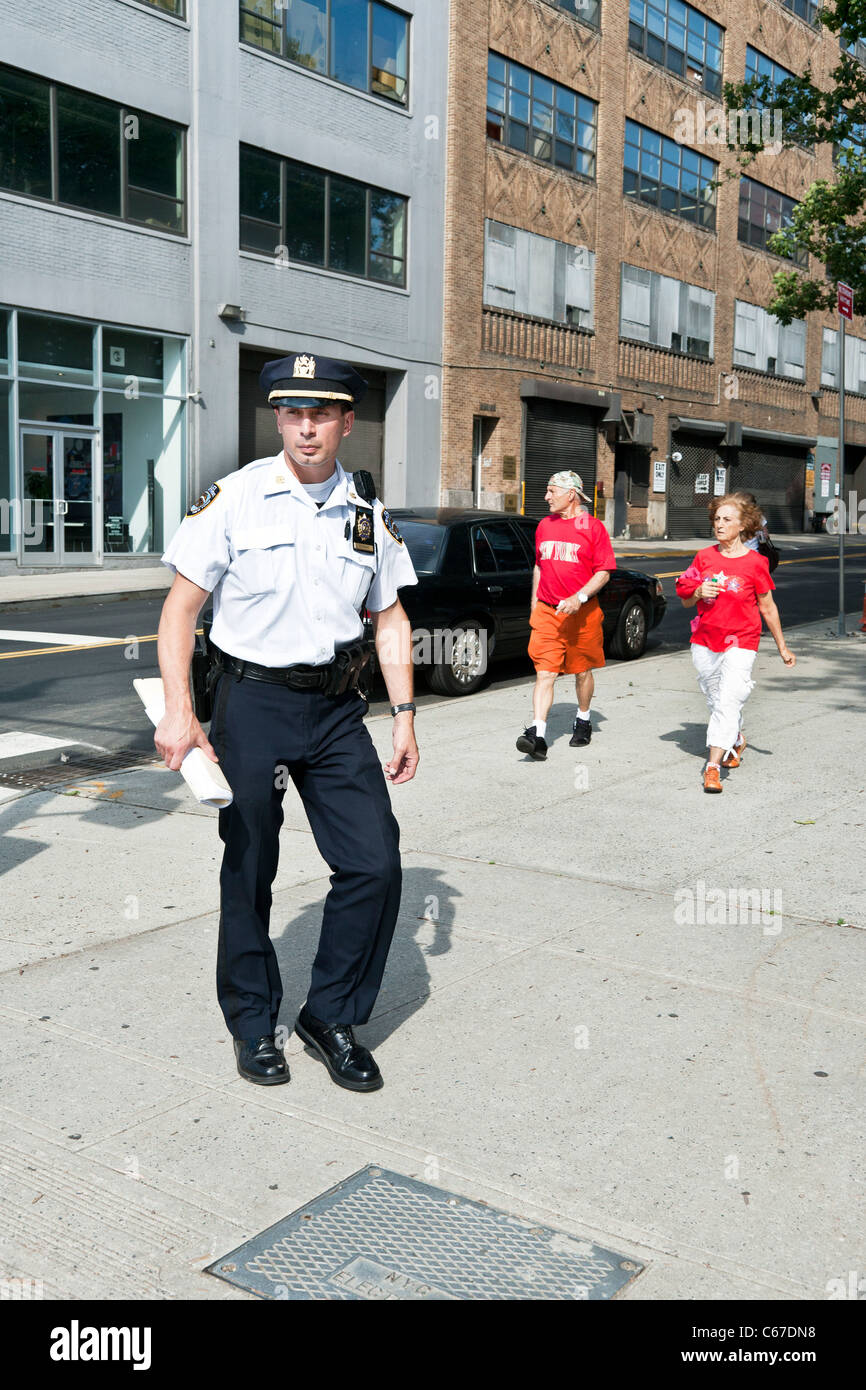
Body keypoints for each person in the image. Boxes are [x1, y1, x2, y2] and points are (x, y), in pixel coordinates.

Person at [155, 352, 419, 1093]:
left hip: (337, 710)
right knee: (250, 868)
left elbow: (390, 614)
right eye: (294, 413)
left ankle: (329, 1014)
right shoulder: (234, 498)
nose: (308, 427)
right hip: (252, 705)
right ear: (278, 418)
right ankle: (251, 1022)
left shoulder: (366, 515)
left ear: (346, 421)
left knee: (374, 863)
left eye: (323, 413)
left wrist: (403, 715)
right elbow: (180, 610)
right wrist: (182, 709)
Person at [675, 492, 796, 793]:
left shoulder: (756, 563)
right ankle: (737, 739)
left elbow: (767, 607)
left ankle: (713, 765)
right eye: (717, 518)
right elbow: (688, 602)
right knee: (715, 699)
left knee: (729, 699)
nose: (719, 523)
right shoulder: (704, 558)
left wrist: (782, 646)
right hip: (705, 639)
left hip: (742, 640)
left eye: (727, 519)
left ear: (743, 525)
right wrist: (698, 593)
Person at [516, 470, 615, 760]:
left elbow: (604, 571)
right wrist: (535, 602)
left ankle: (583, 718)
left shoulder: (592, 527)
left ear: (570, 494)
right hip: (548, 612)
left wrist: (580, 597)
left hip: (582, 614)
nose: (546, 497)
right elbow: (539, 566)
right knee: (544, 673)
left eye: (551, 491)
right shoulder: (544, 526)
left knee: (582, 671)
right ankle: (538, 735)